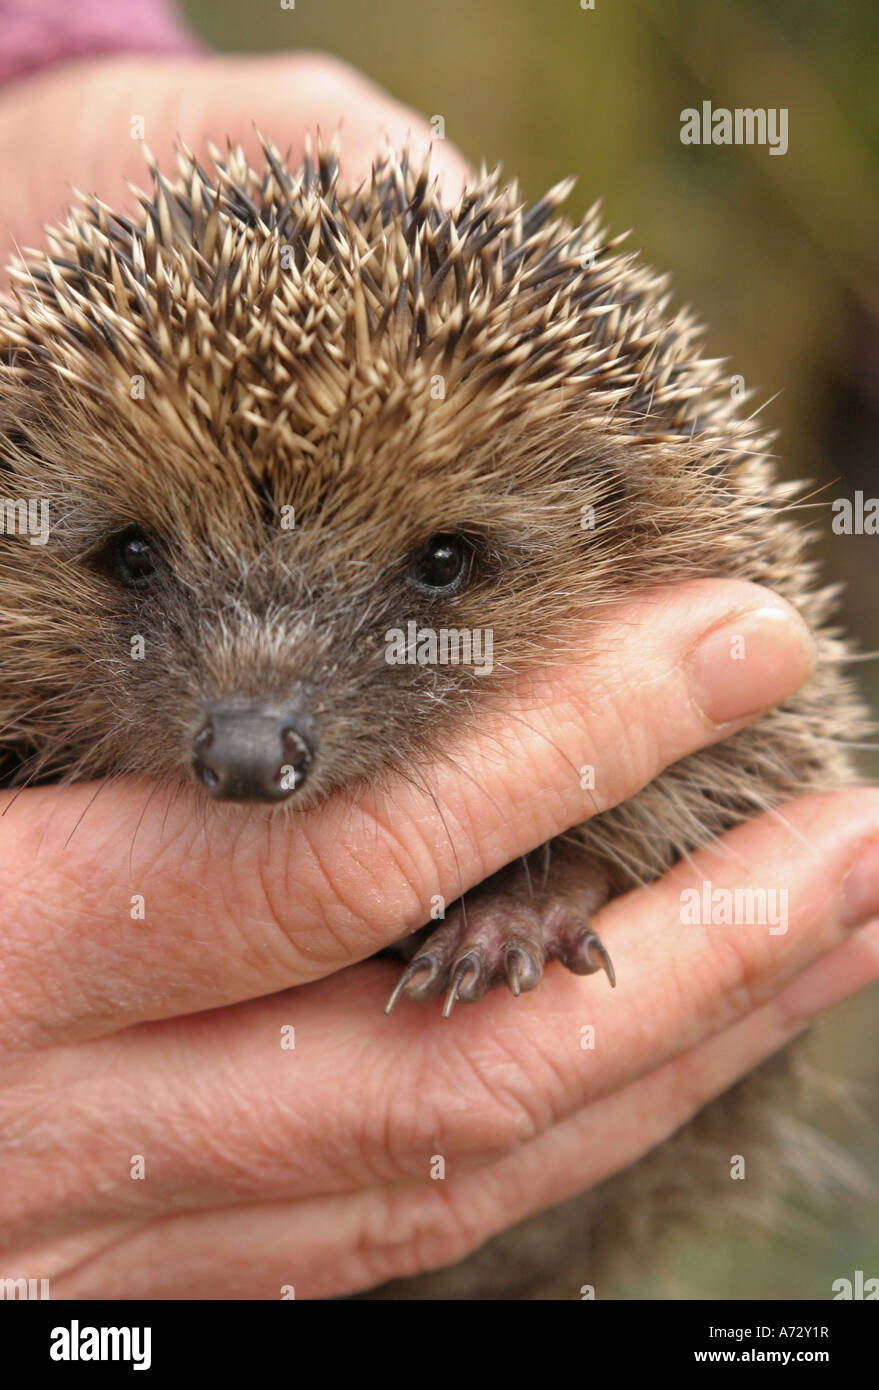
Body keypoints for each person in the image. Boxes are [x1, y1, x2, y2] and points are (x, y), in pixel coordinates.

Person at [0, 2, 877, 1299]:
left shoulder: (662, 559)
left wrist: (560, 873)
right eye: (134, 562)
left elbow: (736, 808)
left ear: (609, 519)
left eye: (439, 566)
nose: (247, 723)